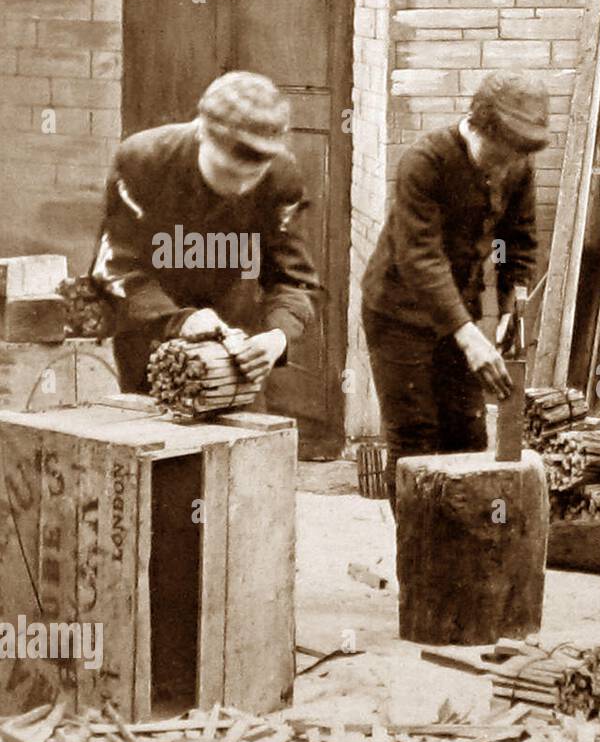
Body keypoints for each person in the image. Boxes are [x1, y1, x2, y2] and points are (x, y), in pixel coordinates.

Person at [361, 70, 548, 507]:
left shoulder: (517, 166)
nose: (505, 167)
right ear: (481, 127)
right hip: (398, 314)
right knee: (415, 442)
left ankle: (460, 544)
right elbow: (420, 258)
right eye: (500, 155)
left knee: (467, 434)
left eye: (515, 158)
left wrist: (512, 306)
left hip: (457, 314)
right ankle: (417, 547)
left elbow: (517, 242)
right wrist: (470, 336)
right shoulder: (425, 162)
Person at [93, 71, 320, 392]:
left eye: (253, 176)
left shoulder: (281, 176)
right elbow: (115, 268)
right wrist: (181, 320)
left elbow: (295, 279)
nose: (240, 188)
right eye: (227, 172)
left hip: (234, 349)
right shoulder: (143, 161)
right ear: (201, 132)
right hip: (152, 336)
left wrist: (278, 336)